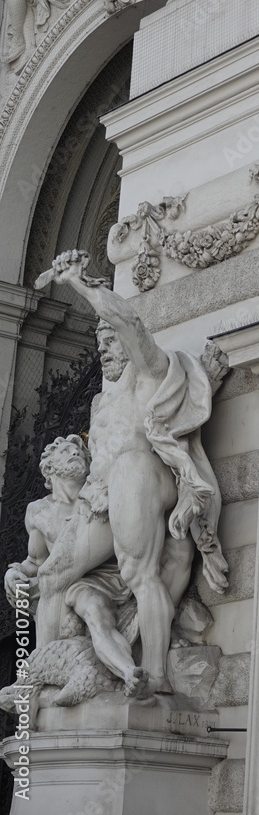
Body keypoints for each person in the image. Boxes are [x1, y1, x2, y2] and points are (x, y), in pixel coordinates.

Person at [33, 250, 227, 695]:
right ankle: (40, 682)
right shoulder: (101, 403)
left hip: (138, 477)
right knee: (51, 578)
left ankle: (155, 676)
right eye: (99, 342)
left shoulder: (148, 372)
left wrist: (81, 285)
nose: (104, 347)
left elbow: (128, 322)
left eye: (109, 340)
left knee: (141, 576)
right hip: (99, 497)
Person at [4, 435, 147, 696]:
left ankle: (129, 672)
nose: (75, 454)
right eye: (66, 451)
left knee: (96, 613)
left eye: (79, 452)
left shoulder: (96, 497)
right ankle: (42, 676)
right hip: (67, 586)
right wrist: (14, 573)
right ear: (48, 467)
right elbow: (35, 562)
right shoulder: (37, 511)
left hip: (103, 577)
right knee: (69, 593)